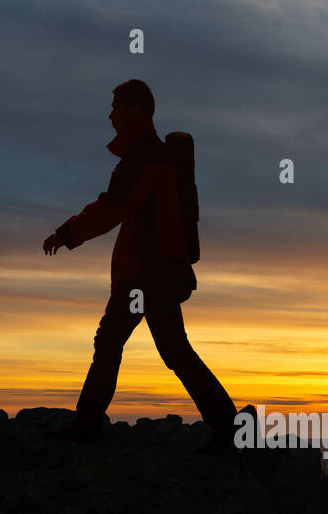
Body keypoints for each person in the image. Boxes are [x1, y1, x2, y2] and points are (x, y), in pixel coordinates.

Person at [43, 79, 237, 453]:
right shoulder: (151, 156)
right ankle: (227, 427)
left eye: (117, 107)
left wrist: (66, 233)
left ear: (137, 111)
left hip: (146, 276)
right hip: (153, 273)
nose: (111, 114)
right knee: (166, 349)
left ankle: (87, 425)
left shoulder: (145, 158)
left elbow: (112, 208)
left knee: (124, 343)